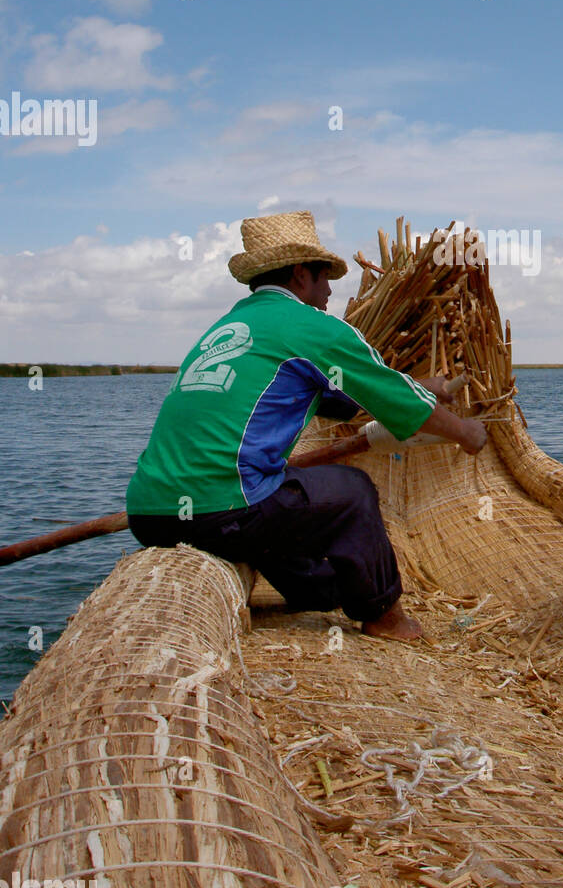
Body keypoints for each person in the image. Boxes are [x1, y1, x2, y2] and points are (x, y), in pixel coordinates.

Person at [126, 210, 486, 642]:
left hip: (149, 513)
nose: (331, 289)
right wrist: (466, 433)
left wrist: (426, 386)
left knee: (283, 488)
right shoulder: (314, 328)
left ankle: (315, 590)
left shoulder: (227, 328)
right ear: (301, 275)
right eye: (324, 277)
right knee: (351, 492)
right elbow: (401, 406)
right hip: (219, 511)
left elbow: (341, 400)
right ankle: (385, 619)